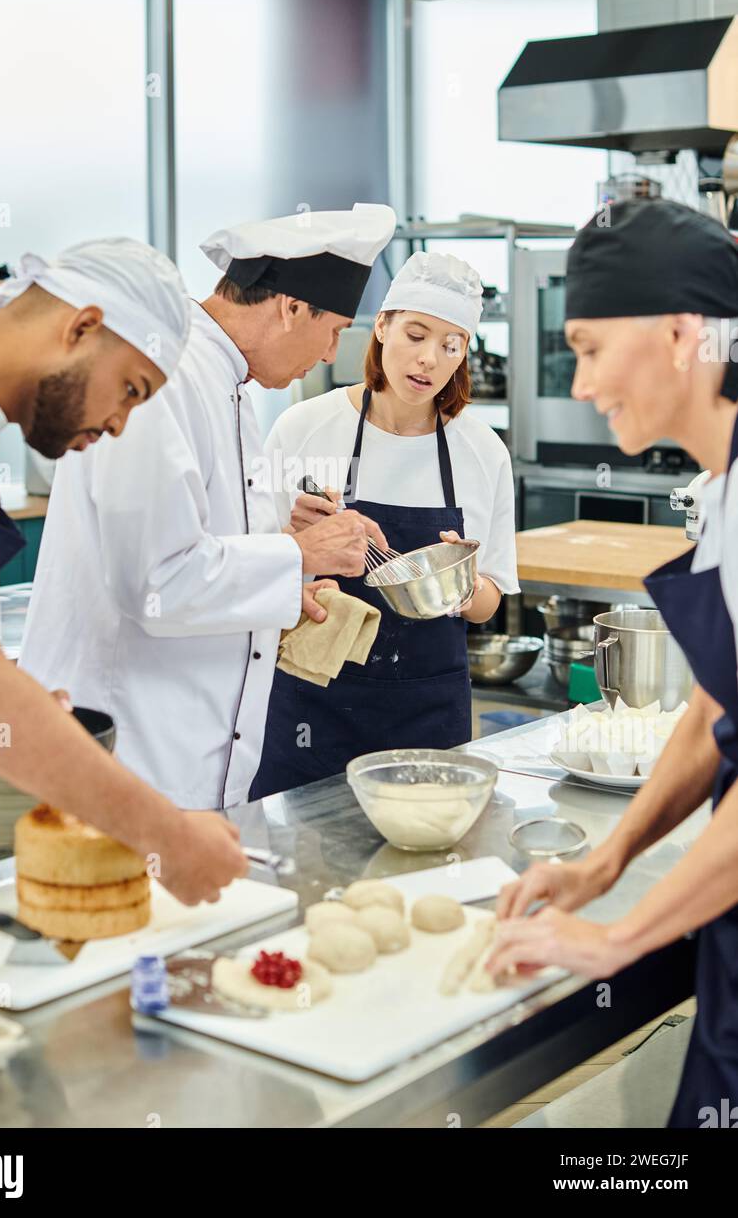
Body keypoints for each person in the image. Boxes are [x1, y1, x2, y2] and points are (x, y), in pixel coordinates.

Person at [0, 238, 248, 919]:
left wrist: (22, 706)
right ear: (81, 327)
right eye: (130, 390)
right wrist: (168, 841)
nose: (118, 424)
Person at [487, 198, 738, 1129]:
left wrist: (619, 937)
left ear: (680, 334)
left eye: (590, 347)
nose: (581, 383)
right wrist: (606, 863)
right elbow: (721, 703)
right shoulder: (723, 489)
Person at [18, 205, 396, 810]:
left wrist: (279, 547)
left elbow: (199, 535)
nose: (331, 355)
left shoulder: (228, 381)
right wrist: (295, 555)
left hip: (180, 750)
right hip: (130, 741)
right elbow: (154, 582)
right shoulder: (161, 375)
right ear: (292, 307)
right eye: (334, 331)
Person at [251, 250, 520, 797]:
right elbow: (245, 569)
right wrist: (299, 543)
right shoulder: (305, 428)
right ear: (381, 326)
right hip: (311, 706)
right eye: (416, 335)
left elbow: (493, 598)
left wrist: (459, 583)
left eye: (451, 346)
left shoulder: (482, 451)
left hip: (426, 717)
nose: (428, 360)